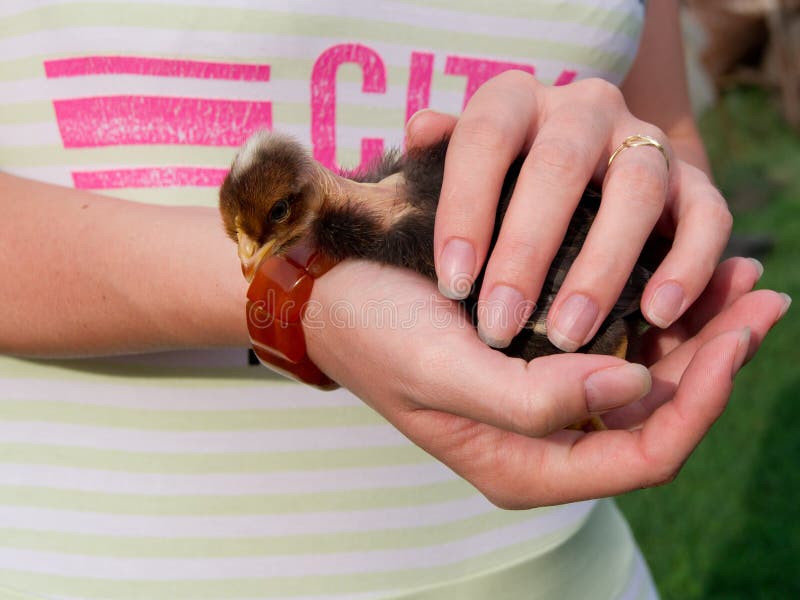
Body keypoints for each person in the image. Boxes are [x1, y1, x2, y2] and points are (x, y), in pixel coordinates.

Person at [0, 1, 788, 598]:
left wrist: (653, 187)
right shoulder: (342, 223)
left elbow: (667, 124)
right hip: (117, 568)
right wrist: (295, 300)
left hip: (560, 568)